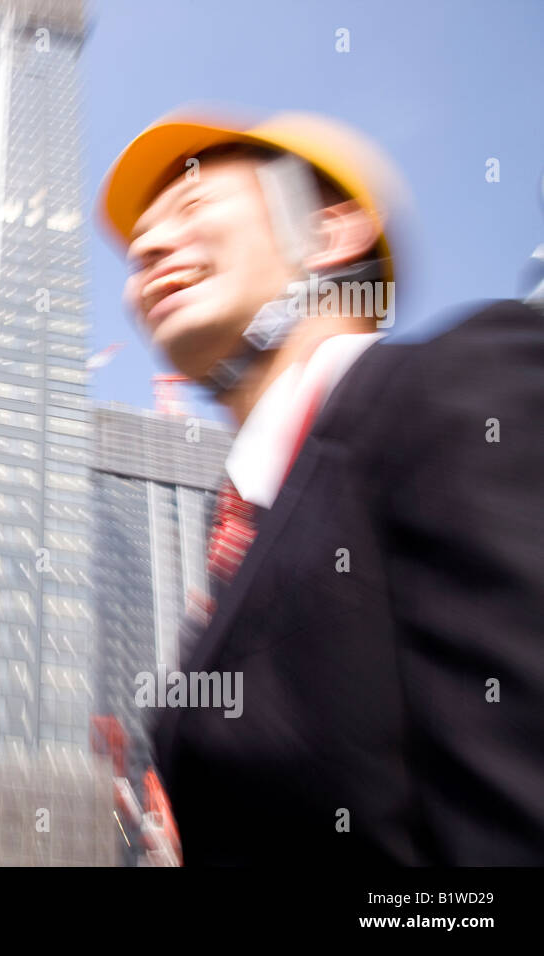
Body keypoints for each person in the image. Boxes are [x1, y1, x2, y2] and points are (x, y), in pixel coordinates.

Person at [96, 108, 544, 864]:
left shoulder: (463, 389)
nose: (148, 245)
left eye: (195, 205)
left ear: (333, 235)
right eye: (140, 244)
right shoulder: (237, 539)